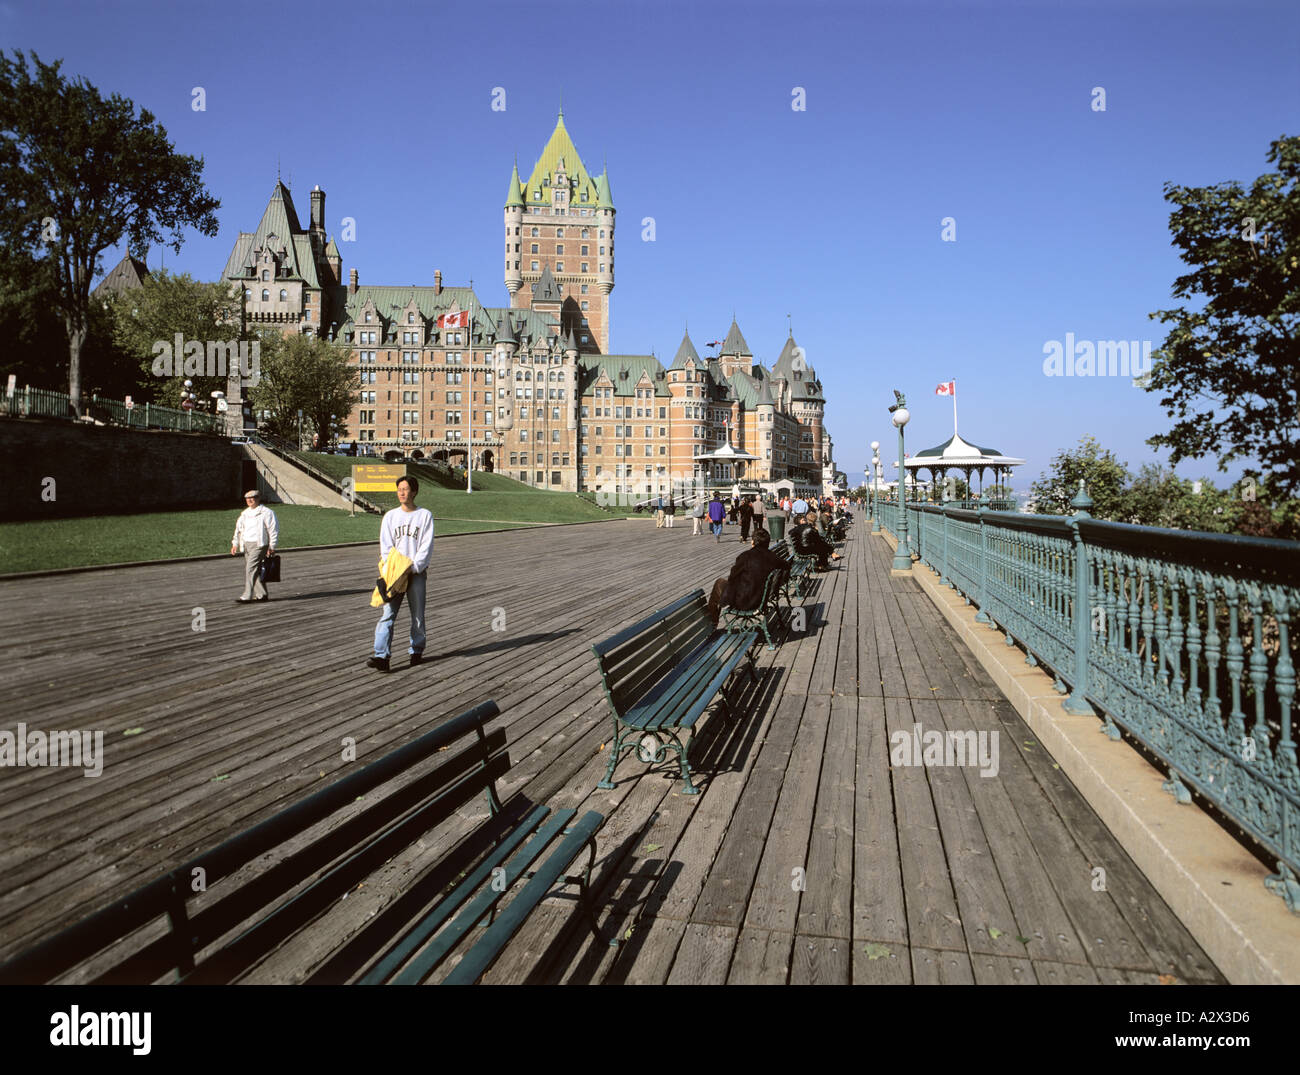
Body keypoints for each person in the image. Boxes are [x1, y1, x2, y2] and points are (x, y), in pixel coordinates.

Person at [368, 475, 434, 672]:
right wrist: (391, 568)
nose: (402, 493)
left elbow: (426, 546)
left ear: (414, 491)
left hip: (415, 572)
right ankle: (381, 656)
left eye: (405, 489)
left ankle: (416, 650)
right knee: (387, 614)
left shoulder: (424, 516)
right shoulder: (390, 517)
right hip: (395, 574)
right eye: (399, 490)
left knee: (417, 614)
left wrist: (414, 567)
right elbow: (386, 546)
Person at [706, 527, 787, 626]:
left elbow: (732, 577)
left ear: (753, 542)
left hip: (746, 602)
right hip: (763, 598)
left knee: (719, 583)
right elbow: (786, 565)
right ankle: (713, 621)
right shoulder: (772, 556)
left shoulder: (745, 556)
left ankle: (713, 622)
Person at [230, 489, 278, 603]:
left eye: (253, 498)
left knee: (250, 569)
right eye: (247, 498)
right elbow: (239, 529)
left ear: (258, 498)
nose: (250, 500)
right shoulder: (245, 513)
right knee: (254, 570)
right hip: (246, 544)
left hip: (259, 544)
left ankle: (247, 595)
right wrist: (235, 543)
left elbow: (273, 530)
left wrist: (272, 546)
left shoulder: (267, 512)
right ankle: (262, 594)